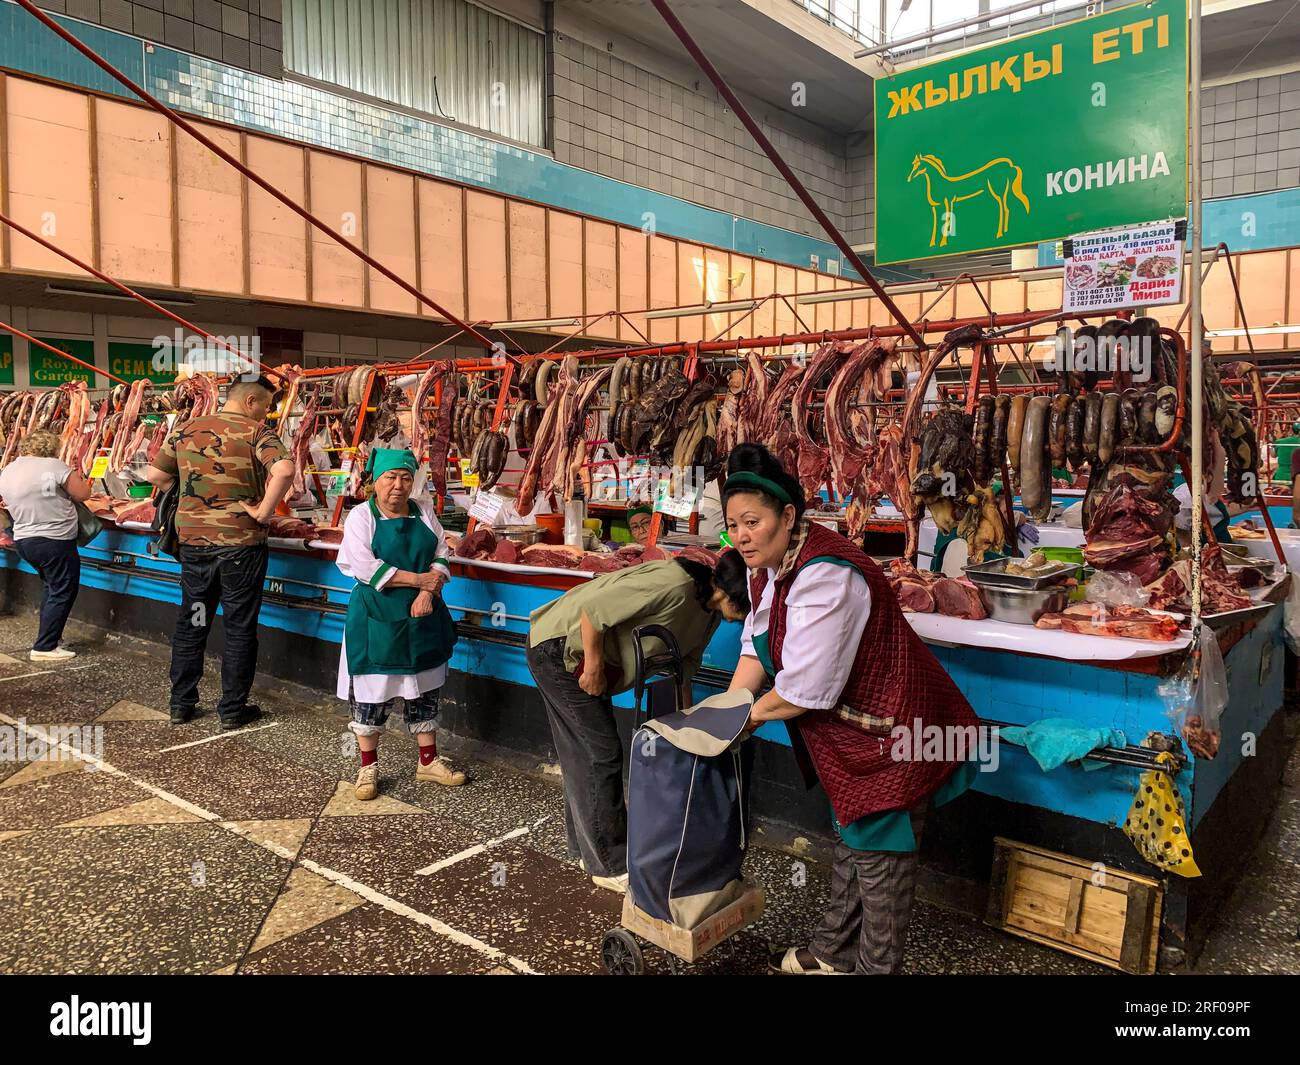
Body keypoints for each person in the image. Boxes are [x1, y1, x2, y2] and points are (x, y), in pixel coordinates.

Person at [722, 442, 979, 975]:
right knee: (852, 838)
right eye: (733, 525)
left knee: (881, 859)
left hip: (897, 732)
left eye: (752, 522)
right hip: (851, 736)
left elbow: (801, 690)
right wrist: (725, 707)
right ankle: (832, 953)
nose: (742, 536)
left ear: (788, 516)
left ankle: (874, 969)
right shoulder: (767, 566)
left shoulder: (826, 574)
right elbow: (757, 645)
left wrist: (740, 721)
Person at [526, 549, 750, 892]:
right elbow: (594, 611)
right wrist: (595, 665)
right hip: (560, 652)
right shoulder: (675, 584)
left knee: (583, 753)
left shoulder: (710, 615)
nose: (748, 616)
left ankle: (585, 849)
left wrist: (687, 725)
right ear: (731, 589)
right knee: (601, 753)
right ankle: (609, 864)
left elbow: (682, 671)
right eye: (749, 603)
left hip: (583, 657)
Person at [143, 376, 294, 729]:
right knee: (239, 626)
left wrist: (191, 498)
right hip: (240, 548)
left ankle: (181, 704)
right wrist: (263, 511)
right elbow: (284, 469)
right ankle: (231, 709)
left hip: (194, 546)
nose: (267, 414)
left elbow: (155, 475)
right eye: (267, 407)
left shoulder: (186, 428)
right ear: (252, 401)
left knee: (194, 619)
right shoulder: (256, 432)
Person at [336, 448, 462, 800]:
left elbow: (441, 551)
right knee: (372, 694)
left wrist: (428, 591)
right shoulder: (362, 516)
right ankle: (367, 768)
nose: (398, 485)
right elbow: (364, 565)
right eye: (390, 477)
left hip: (424, 613)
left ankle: (428, 762)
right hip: (378, 613)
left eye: (406, 478)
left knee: (425, 687)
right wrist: (420, 581)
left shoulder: (423, 510)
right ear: (375, 481)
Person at [0, 429, 92, 661]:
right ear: (50, 447)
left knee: (52, 588)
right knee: (62, 590)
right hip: (54, 539)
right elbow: (83, 493)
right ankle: (45, 647)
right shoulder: (54, 466)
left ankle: (50, 638)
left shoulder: (8, 470)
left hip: (25, 540)